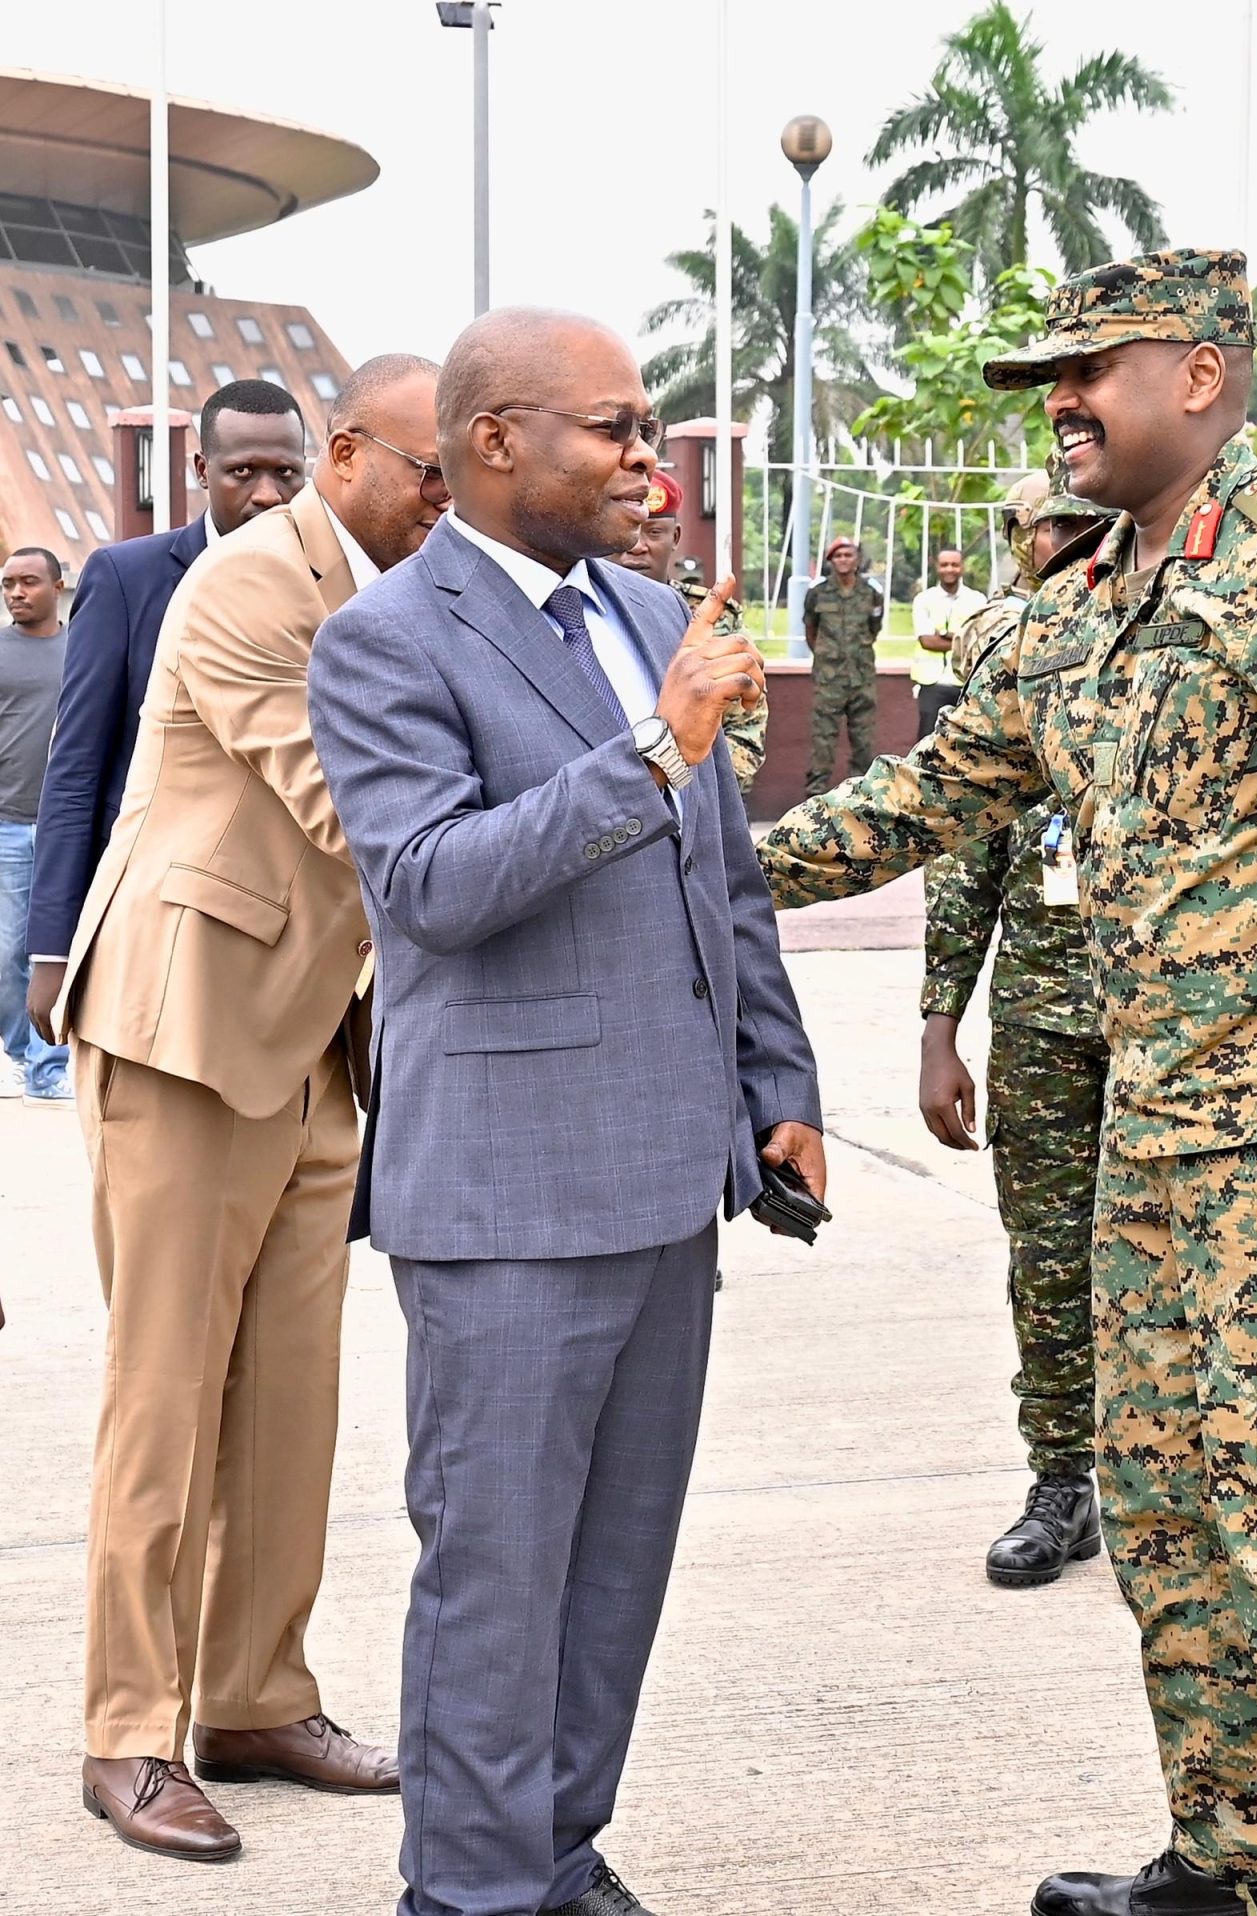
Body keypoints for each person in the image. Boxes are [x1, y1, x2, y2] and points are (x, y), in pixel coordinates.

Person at [761, 249, 1257, 1916]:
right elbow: (929, 796)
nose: (1063, 405)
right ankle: (1228, 1862)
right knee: (1168, 1512)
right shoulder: (1085, 603)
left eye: (1091, 372)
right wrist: (697, 862)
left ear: (1200, 379)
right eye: (1053, 382)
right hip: (1154, 1132)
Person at [307, 308, 823, 1916]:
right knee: (497, 1579)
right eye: (611, 427)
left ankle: (556, 1853)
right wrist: (653, 750)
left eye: (647, 425)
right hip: (511, 1201)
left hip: (672, 1182)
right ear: (492, 443)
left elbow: (722, 884)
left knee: (613, 1577)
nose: (644, 458)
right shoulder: (389, 638)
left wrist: (777, 1088)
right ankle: (466, 1894)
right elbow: (432, 886)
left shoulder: (650, 611)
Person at [54, 355, 446, 1862]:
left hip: (311, 1045)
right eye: (427, 472)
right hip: (186, 1027)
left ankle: (255, 1696)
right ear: (348, 454)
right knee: (167, 1397)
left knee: (289, 1402)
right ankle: (129, 1731)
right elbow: (349, 802)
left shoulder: (399, 586)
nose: (444, 502)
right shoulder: (248, 587)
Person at [918, 468, 1112, 1588]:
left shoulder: (1175, 632)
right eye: (1058, 531)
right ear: (1020, 540)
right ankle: (1058, 1481)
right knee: (1046, 1262)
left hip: (1163, 1023)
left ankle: (1157, 1487)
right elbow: (965, 849)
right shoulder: (1003, 661)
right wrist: (941, 1022)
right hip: (1041, 1017)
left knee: (1162, 1264)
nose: (1077, 547)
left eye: (1093, 530)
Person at [26, 379, 308, 1043]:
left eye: (286, 473)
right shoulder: (128, 578)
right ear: (202, 470)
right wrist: (53, 945)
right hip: (151, 917)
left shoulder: (334, 589)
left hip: (292, 928)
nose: (267, 493)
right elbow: (76, 769)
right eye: (243, 472)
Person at [610, 466, 767, 791]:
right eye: (630, 530)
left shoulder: (713, 615)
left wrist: (694, 790)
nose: (638, 546)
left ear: (675, 537)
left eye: (653, 533)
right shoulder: (582, 608)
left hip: (702, 795)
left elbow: (745, 723)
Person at [0, 546, 70, 1103]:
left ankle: (50, 1069)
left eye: (28, 582)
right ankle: (21, 1050)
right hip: (7, 825)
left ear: (57, 586)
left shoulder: (82, 649)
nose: (16, 592)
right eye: (8, 584)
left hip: (66, 827)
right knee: (8, 953)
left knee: (55, 948)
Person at [802, 533, 884, 796]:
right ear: (831, 561)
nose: (844, 559)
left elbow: (874, 629)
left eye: (848, 554)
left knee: (863, 742)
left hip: (862, 680)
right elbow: (811, 630)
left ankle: (860, 800)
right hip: (829, 681)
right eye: (838, 555)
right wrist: (827, 657)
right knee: (823, 742)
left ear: (857, 559)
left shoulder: (871, 594)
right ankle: (815, 796)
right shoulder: (817, 593)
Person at [909, 545, 985, 737]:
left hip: (966, 682)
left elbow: (981, 641)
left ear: (962, 567)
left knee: (965, 742)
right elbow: (927, 642)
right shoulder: (923, 600)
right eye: (944, 565)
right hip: (932, 682)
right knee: (927, 740)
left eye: (954, 564)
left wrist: (943, 634)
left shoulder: (977, 600)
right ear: (937, 567)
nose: (949, 569)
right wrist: (962, 639)